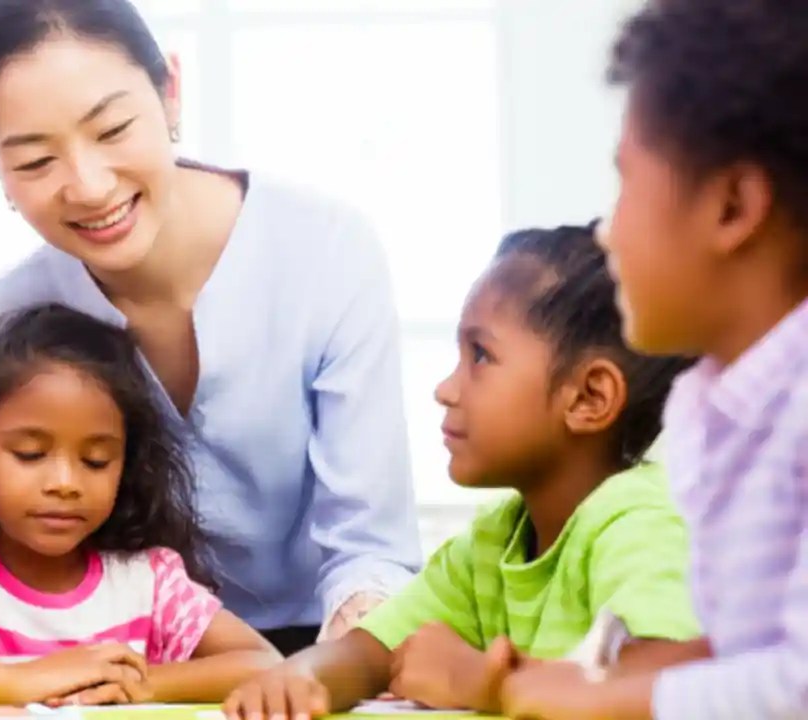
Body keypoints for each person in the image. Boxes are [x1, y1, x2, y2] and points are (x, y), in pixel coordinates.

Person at [0, 0, 420, 654]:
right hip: (114, 661)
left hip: (317, 646)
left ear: (169, 92)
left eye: (113, 129)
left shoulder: (326, 249)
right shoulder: (14, 310)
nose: (89, 187)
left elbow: (371, 545)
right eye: (35, 162)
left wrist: (345, 652)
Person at [224, 223, 700, 719]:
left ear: (588, 398)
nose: (447, 389)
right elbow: (370, 652)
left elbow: (664, 691)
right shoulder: (493, 541)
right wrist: (301, 680)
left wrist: (479, 683)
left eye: (480, 355)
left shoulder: (640, 522)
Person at [500, 2, 808, 719]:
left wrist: (595, 705)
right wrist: (575, 680)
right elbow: (742, 652)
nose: (607, 230)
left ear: (732, 206)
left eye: (627, 183)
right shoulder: (721, 406)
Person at [0, 304, 281, 709]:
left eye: (96, 461)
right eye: (30, 455)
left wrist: (142, 683)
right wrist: (23, 680)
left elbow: (265, 664)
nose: (65, 483)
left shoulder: (149, 582)